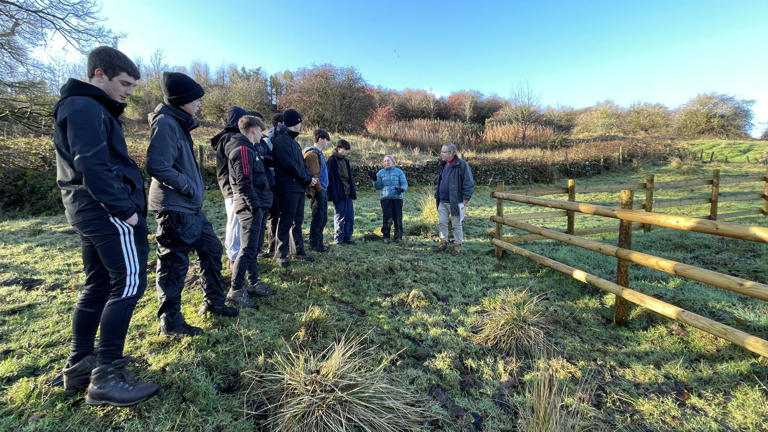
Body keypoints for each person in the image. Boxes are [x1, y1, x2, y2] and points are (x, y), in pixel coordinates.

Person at [53, 46, 157, 406]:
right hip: (105, 212)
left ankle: (80, 365)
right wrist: (126, 210)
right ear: (99, 74)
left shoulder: (83, 106)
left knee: (98, 284)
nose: (130, 91)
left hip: (87, 210)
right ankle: (107, 374)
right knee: (128, 282)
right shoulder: (85, 107)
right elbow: (93, 165)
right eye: (124, 83)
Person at [146, 72, 238, 338]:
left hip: (190, 208)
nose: (199, 103)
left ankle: (213, 302)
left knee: (211, 249)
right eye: (195, 99)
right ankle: (171, 322)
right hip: (174, 207)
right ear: (181, 99)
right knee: (174, 264)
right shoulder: (165, 123)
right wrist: (187, 186)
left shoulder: (178, 124)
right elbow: (156, 165)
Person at [225, 115, 276, 307]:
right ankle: (236, 289)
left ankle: (253, 283)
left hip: (257, 206)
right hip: (250, 208)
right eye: (260, 130)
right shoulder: (243, 150)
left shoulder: (249, 149)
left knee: (253, 248)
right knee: (246, 249)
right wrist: (255, 207)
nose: (262, 134)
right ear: (253, 129)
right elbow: (244, 182)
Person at [271, 109, 317, 267]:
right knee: (285, 220)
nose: (301, 124)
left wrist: (308, 179)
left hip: (298, 188)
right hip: (287, 187)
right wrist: (306, 178)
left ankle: (298, 251)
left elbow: (302, 165)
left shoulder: (295, 144)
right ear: (294, 122)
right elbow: (289, 165)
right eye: (300, 121)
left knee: (297, 221)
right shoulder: (281, 141)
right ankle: (280, 254)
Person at [210, 106, 251, 268]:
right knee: (235, 221)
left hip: (232, 185)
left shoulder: (229, 138)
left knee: (239, 220)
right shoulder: (230, 139)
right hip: (232, 187)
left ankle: (238, 254)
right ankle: (234, 257)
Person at [433, 143, 474, 255]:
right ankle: (443, 242)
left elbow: (469, 184)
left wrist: (465, 201)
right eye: (441, 151)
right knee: (442, 223)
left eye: (443, 152)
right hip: (442, 201)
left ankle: (457, 245)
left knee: (456, 224)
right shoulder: (443, 164)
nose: (441, 154)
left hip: (455, 202)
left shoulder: (462, 165)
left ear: (451, 153)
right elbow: (440, 180)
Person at [368, 155, 408, 243]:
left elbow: (404, 183)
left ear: (393, 162)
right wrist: (374, 179)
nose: (386, 162)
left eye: (388, 160)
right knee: (387, 217)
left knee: (397, 217)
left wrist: (402, 189)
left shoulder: (399, 172)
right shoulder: (380, 173)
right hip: (385, 198)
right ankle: (386, 236)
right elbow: (378, 186)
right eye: (385, 161)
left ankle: (398, 237)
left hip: (397, 198)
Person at [303, 129, 331, 252]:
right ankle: (315, 245)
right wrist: (320, 190)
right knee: (318, 217)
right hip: (318, 190)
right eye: (326, 140)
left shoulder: (318, 154)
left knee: (322, 217)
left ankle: (319, 243)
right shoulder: (312, 154)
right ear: (320, 139)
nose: (327, 143)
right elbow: (315, 175)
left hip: (322, 189)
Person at [260, 113, 283, 259]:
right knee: (272, 215)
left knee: (278, 214)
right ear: (278, 123)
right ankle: (271, 246)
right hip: (271, 181)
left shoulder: (281, 138)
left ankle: (276, 244)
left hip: (280, 181)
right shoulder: (268, 140)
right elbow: (269, 161)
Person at [327, 139, 357, 245]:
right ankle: (338, 238)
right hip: (339, 192)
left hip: (348, 192)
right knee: (340, 216)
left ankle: (347, 237)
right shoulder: (331, 160)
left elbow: (349, 178)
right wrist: (333, 193)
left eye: (347, 150)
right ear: (339, 148)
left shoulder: (346, 161)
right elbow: (330, 179)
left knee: (349, 216)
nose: (347, 152)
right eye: (345, 149)